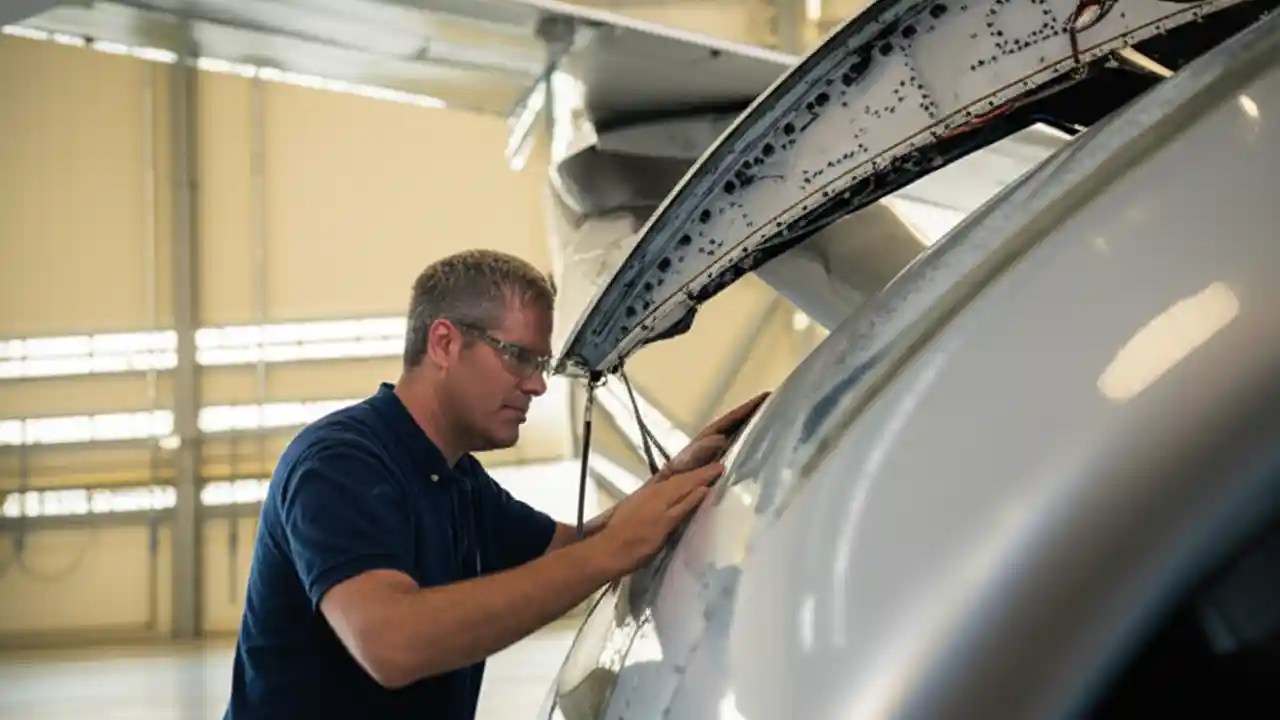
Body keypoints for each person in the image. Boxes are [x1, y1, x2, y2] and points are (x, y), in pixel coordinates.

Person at [224, 249, 768, 719]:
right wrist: (613, 554)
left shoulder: (455, 476)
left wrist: (672, 479)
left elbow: (568, 547)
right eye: (519, 357)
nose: (535, 384)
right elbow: (392, 642)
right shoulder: (340, 464)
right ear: (444, 343)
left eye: (542, 363)